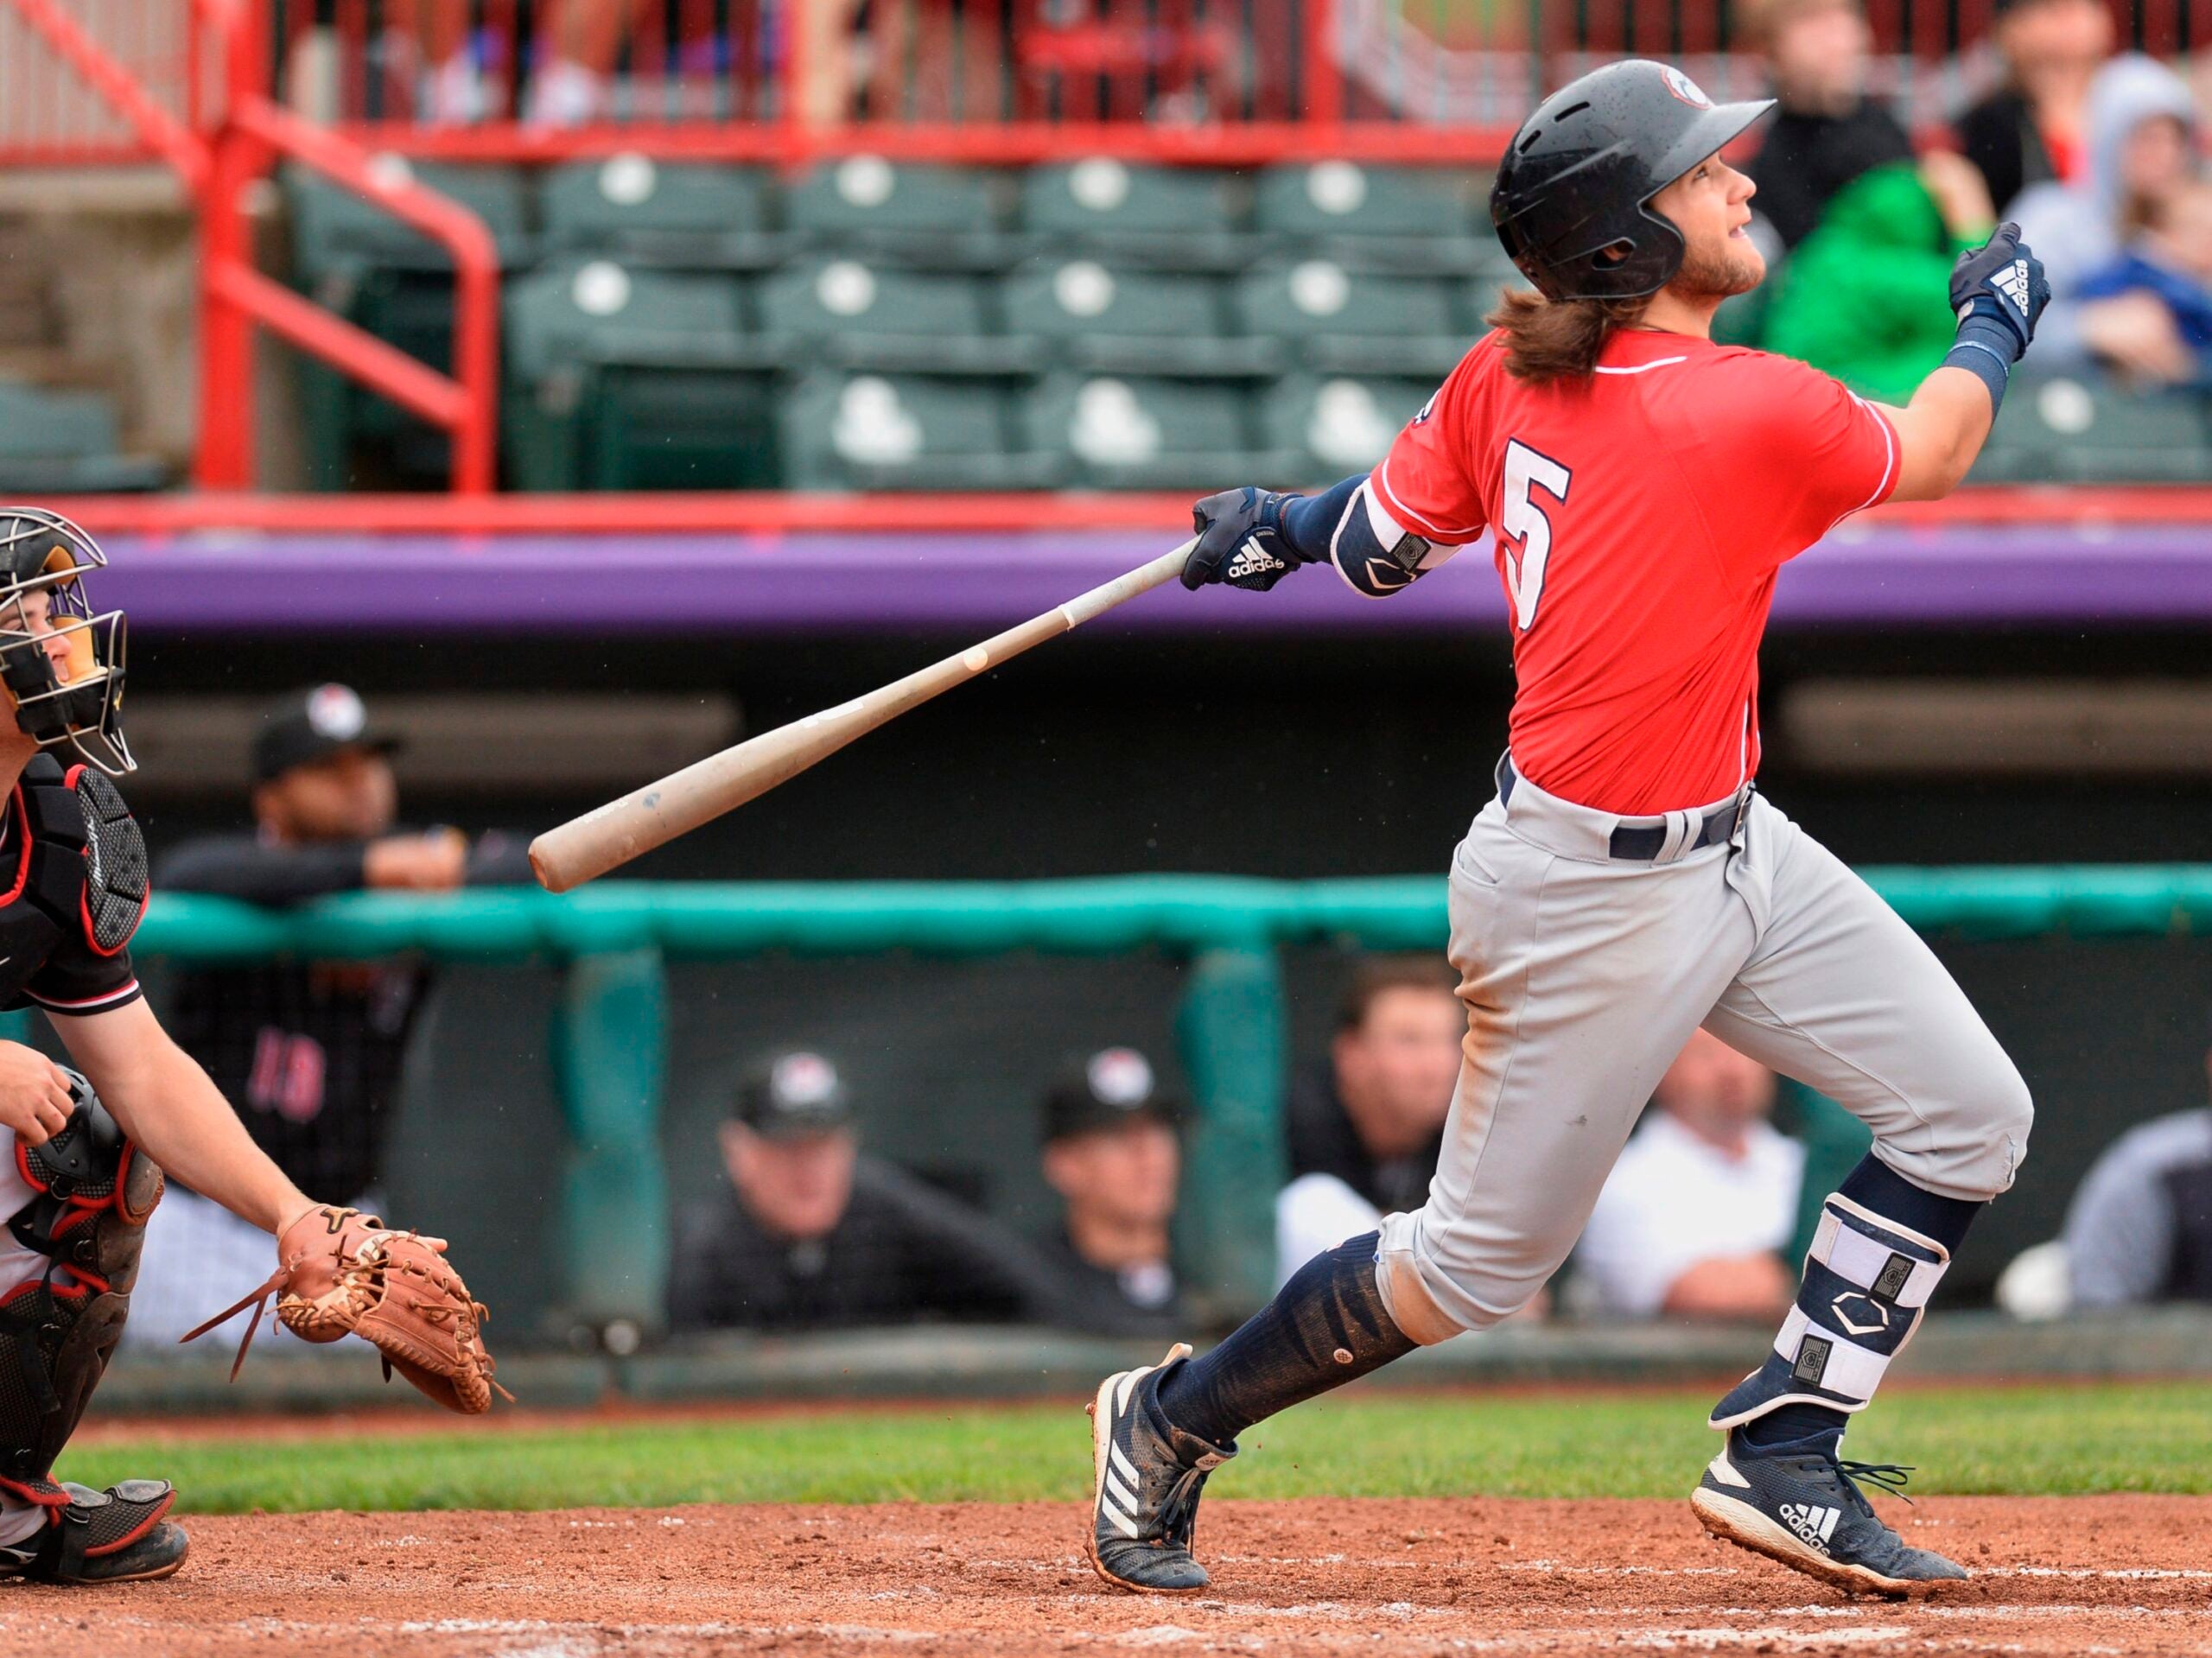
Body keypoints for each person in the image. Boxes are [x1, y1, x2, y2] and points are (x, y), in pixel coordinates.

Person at [1081, 59, 2045, 1600]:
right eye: (1700, 170)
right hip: (1584, 894)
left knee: (1969, 1114)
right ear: (1625, 246)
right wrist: (1995, 315)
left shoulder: (1504, 372)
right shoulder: (1741, 406)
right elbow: (1934, 447)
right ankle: (1170, 1417)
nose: (1739, 176)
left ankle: (1787, 1440)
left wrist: (1283, 520)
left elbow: (1385, 542)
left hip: (1735, 842)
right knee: (1471, 1266)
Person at [0, 509, 484, 1584]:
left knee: (97, 1144)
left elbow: (144, 1066)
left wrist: (291, 1214)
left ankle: (3, 1508)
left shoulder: (58, 823)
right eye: (36, 617)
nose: (69, 641)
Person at [126, 685, 518, 1349]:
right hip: (204, 1226)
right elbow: (186, 872)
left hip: (347, 1226)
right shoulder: (241, 873)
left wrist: (391, 894)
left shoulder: (415, 871)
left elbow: (518, 861)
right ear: (272, 798)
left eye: (368, 763)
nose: (359, 784)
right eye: (329, 771)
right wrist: (361, 876)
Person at [667, 1051, 1068, 1332]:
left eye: (823, 1145)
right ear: (739, 1152)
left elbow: (1030, 1286)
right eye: (788, 1147)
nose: (809, 1170)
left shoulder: (887, 1208)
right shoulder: (705, 1244)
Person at [1576, 1030, 1807, 1320]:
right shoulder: (1623, 1180)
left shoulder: (1802, 1160)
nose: (1732, 1069)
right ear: (1660, 1070)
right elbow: (1704, 1295)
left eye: (1748, 1052)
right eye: (1706, 1054)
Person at [1275, 958, 1459, 1286]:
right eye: (1410, 1042)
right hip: (1301, 1322)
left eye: (1447, 1040)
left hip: (1441, 1319)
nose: (1438, 1067)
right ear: (1351, 1055)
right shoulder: (1302, 1121)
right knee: (1313, 1203)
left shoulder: (1467, 1127)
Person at [2011, 53, 2199, 374]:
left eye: (2175, 140)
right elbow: (1996, 324)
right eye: (2148, 138)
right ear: (2109, 136)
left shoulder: (2193, 226)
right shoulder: (2052, 219)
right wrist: (2089, 327)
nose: (2164, 155)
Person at [1758, 155, 1999, 401]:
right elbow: (1985, 299)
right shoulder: (1885, 269)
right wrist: (1972, 220)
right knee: (1984, 354)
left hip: (1793, 389)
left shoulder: (1824, 249)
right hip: (1839, 394)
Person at [1033, 1047, 1190, 1337]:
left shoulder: (1207, 1272)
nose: (1149, 1155)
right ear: (1064, 1163)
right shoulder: (1035, 1278)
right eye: (1119, 1136)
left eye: (1158, 1131)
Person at [1742, 0, 1915, 252]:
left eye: (1847, 14)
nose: (1837, 34)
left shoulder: (1885, 126)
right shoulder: (1778, 164)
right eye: (1812, 20)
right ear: (1768, 49)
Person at [1955, 0, 2112, 217]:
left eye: (2088, 5)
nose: (2076, 18)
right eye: (2054, 10)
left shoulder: (2135, 108)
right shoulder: (1990, 127)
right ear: (2010, 30)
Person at [2075, 178, 2212, 386]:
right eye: (2198, 228)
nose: (2206, 242)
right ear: (2166, 230)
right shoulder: (2142, 273)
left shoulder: (2193, 286)